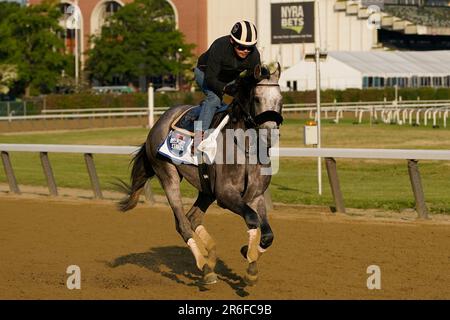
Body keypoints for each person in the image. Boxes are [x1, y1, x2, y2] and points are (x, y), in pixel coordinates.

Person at [193, 20, 261, 149]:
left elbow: (252, 82)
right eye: (241, 47)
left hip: (229, 78)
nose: (245, 51)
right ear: (232, 41)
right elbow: (210, 78)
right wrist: (225, 88)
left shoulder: (254, 56)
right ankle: (197, 138)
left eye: (249, 47)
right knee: (214, 99)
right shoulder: (219, 46)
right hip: (205, 73)